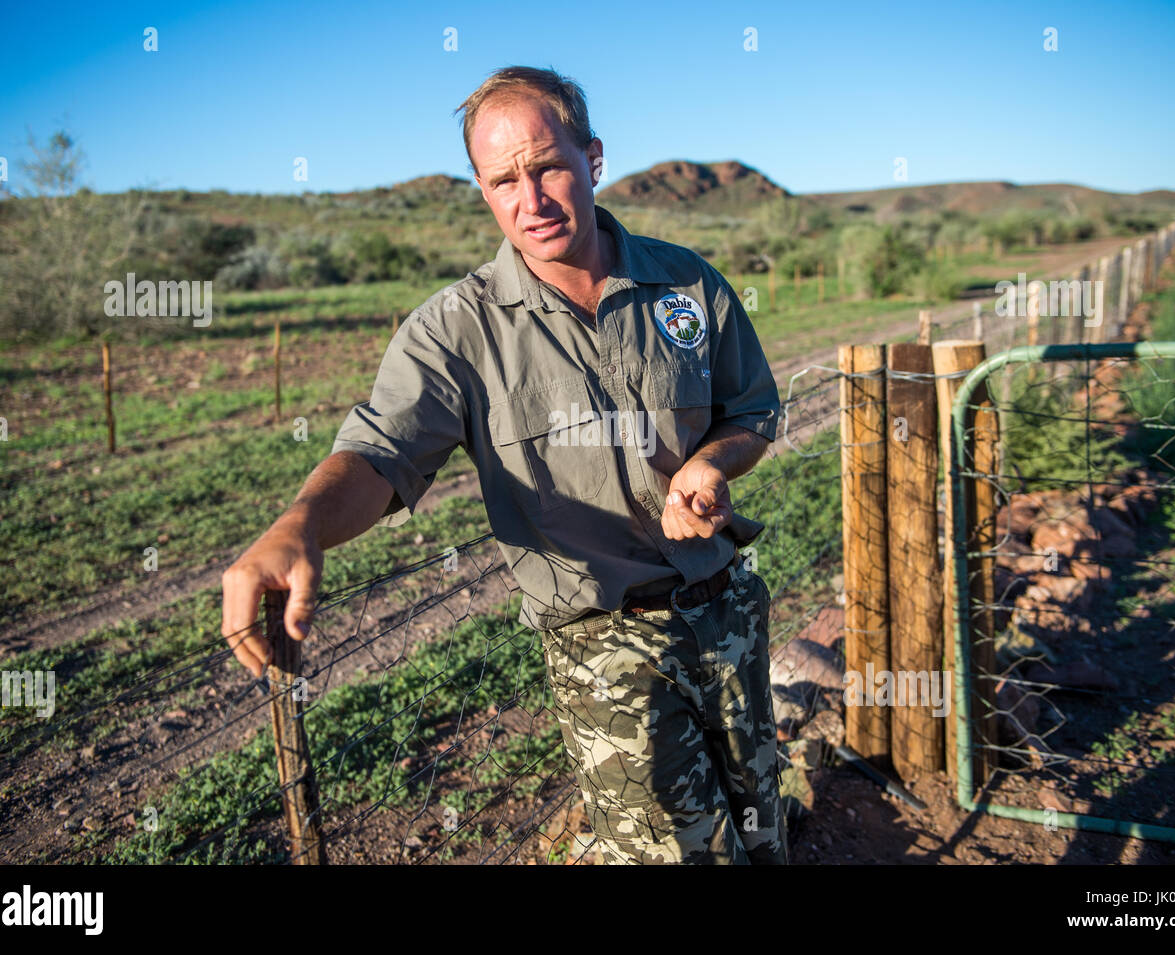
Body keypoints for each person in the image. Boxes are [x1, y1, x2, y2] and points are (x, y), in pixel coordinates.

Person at [221, 66, 787, 864]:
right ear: (483, 191)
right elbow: (380, 451)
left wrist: (713, 463)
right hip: (604, 641)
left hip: (728, 608)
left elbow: (753, 407)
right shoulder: (454, 331)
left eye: (548, 165)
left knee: (763, 818)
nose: (532, 198)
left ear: (592, 158)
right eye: (503, 179)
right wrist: (300, 523)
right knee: (682, 855)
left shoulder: (686, 285)